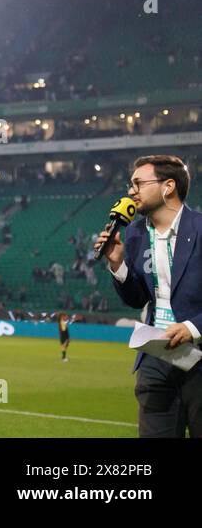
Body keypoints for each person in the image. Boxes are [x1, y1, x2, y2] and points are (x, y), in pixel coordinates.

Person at [94, 154, 201, 437]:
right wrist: (118, 264)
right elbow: (137, 298)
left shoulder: (200, 228)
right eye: (131, 184)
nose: (131, 191)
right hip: (157, 356)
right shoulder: (135, 234)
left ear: (168, 187)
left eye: (138, 183)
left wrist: (193, 328)